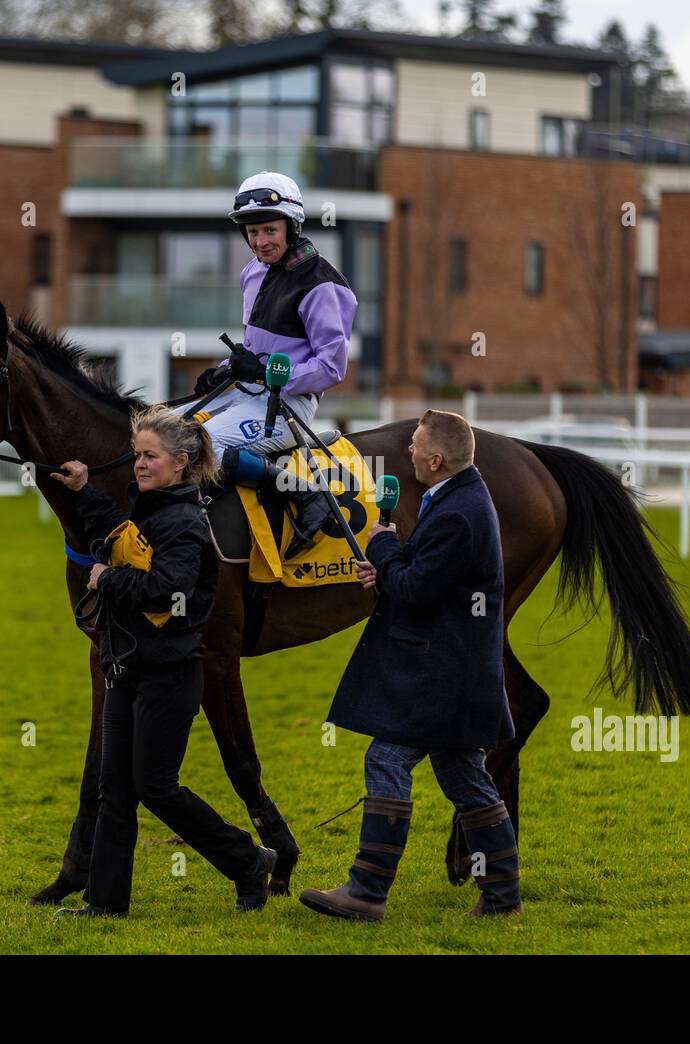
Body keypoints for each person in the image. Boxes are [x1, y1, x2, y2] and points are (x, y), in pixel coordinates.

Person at [49, 406, 277, 917]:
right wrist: (85, 488)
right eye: (137, 455)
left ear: (181, 462)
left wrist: (108, 580)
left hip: (168, 678)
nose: (140, 465)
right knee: (116, 790)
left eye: (150, 456)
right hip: (127, 669)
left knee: (156, 788)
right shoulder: (148, 507)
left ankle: (247, 860)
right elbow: (123, 536)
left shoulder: (183, 523)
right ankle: (105, 904)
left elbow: (165, 591)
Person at [299, 410, 521, 921]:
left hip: (440, 672)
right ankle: (503, 896)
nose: (410, 453)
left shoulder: (457, 512)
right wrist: (387, 569)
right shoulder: (459, 499)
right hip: (456, 668)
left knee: (387, 761)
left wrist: (383, 549)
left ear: (437, 459)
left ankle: (367, 891)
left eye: (417, 447)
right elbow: (423, 581)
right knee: (464, 776)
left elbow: (418, 591)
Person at [180, 170, 358, 559]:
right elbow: (257, 348)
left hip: (289, 405)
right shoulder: (253, 271)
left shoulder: (324, 286)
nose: (260, 242)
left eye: (269, 231)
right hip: (244, 393)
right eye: (252, 233)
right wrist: (227, 367)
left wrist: (264, 374)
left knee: (194, 445)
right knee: (161, 430)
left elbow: (331, 368)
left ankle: (307, 495)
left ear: (292, 226)